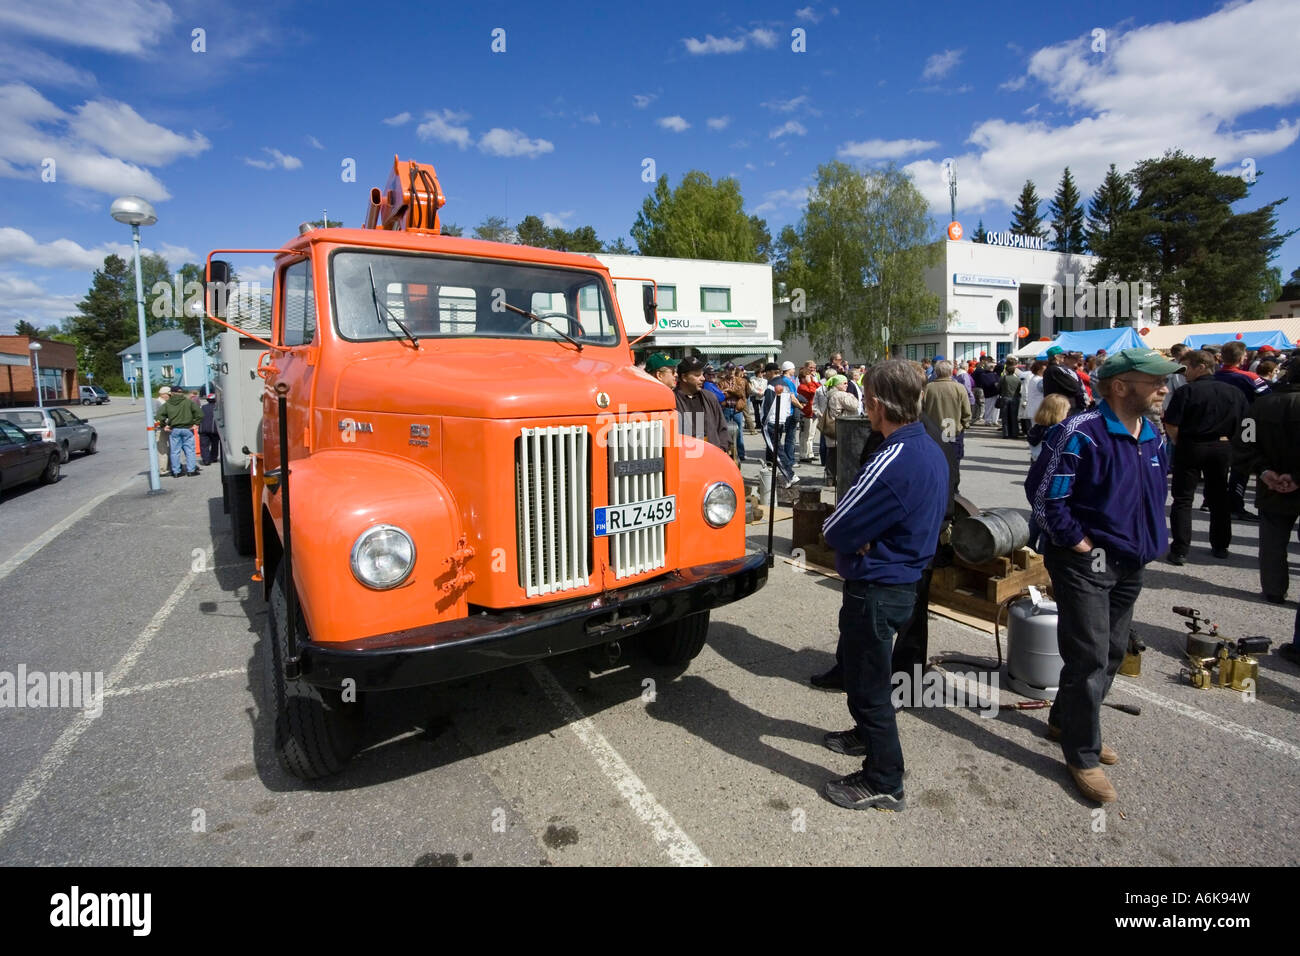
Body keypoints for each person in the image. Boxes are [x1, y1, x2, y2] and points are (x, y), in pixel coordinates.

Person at [1025, 347, 1182, 803]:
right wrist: (1078, 543)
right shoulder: (1078, 433)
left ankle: (1064, 719)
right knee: (1089, 655)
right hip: (1086, 563)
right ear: (1119, 386)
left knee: (1113, 651)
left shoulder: (1152, 434)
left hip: (1132, 562)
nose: (1162, 388)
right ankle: (1082, 754)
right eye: (1153, 381)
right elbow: (1043, 497)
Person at [817, 360, 948, 812]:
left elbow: (835, 527)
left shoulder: (894, 454)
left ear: (876, 403)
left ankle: (884, 778)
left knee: (868, 685)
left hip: (877, 586)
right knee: (863, 673)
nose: (866, 405)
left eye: (868, 397)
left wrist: (862, 541)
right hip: (901, 581)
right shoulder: (928, 447)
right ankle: (864, 737)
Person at [1234, 360, 1300, 647]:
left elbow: (1243, 445)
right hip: (1277, 479)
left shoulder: (1261, 406)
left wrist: (1263, 471)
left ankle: (1274, 589)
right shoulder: (1261, 406)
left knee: (1272, 540)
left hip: (1271, 481)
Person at [1163, 350, 1247, 565]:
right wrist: (1237, 444)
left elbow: (1171, 423)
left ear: (1201, 366)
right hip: (1221, 445)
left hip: (1192, 444)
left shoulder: (1186, 392)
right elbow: (1247, 422)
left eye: (1187, 368)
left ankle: (1181, 549)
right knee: (1218, 496)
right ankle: (1220, 545)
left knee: (1183, 499)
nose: (1184, 373)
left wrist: (1178, 441)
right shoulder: (1233, 392)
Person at [1215, 340, 1269, 520]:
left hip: (1219, 425)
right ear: (1241, 357)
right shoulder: (1251, 378)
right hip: (1247, 425)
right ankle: (1236, 504)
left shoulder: (1214, 375)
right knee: (1242, 465)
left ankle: (1212, 499)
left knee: (1218, 466)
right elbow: (1268, 399)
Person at [674, 357, 729, 452]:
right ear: (684, 377)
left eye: (702, 374)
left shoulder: (709, 397)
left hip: (712, 457)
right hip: (685, 459)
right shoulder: (672, 400)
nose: (703, 378)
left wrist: (722, 449)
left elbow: (722, 428)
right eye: (697, 375)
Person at [761, 362, 802, 487]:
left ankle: (790, 475)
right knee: (775, 449)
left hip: (771, 422)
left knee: (777, 451)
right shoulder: (786, 385)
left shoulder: (771, 387)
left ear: (771, 372)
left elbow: (767, 406)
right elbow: (790, 401)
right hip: (781, 420)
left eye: (765, 372)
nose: (764, 375)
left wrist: (764, 422)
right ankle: (772, 473)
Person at [921, 360, 971, 460]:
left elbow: (921, 410)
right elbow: (966, 411)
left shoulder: (928, 388)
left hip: (933, 431)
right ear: (951, 371)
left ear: (936, 372)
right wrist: (965, 424)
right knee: (953, 461)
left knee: (935, 461)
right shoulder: (959, 388)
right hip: (953, 430)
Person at [819, 374, 860, 483]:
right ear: (837, 384)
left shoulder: (830, 394)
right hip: (842, 429)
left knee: (832, 455)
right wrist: (851, 395)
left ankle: (830, 478)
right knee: (842, 455)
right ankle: (843, 478)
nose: (847, 385)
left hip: (832, 427)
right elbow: (854, 405)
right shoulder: (841, 395)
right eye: (844, 383)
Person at [157, 385, 204, 477]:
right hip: (187, 429)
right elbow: (200, 414)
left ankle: (176, 472)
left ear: (172, 393)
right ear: (181, 392)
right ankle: (191, 470)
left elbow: (159, 416)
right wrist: (196, 423)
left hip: (174, 429)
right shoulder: (188, 402)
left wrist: (164, 425)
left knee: (175, 451)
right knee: (190, 450)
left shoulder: (168, 403)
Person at [1026, 393, 1070, 462]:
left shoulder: (1035, 429)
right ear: (1059, 413)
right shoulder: (1057, 431)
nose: (1068, 414)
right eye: (1066, 411)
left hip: (1036, 465)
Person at [1042, 345, 1086, 412]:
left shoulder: (1051, 369)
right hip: (1060, 407)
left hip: (1057, 406)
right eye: (1062, 355)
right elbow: (1075, 386)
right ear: (1056, 356)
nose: (1064, 357)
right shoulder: (1055, 370)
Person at [998, 358, 1023, 439]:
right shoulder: (1018, 379)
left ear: (1007, 371)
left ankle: (1006, 433)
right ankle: (1015, 433)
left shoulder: (1003, 378)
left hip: (1005, 398)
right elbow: (1020, 389)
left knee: (1005, 417)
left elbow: (999, 387)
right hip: (1015, 398)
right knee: (1014, 417)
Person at [153, 386, 173, 477]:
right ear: (163, 394)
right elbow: (155, 418)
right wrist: (163, 425)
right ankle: (163, 469)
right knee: (162, 450)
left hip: (167, 428)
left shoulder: (165, 402)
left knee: (168, 449)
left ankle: (169, 467)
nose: (170, 396)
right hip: (160, 429)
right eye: (169, 394)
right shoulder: (158, 403)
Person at [199, 393, 220, 466]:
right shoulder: (217, 407)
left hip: (203, 429)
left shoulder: (203, 407)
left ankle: (206, 460)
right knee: (215, 444)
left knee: (204, 445)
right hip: (214, 429)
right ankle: (213, 457)